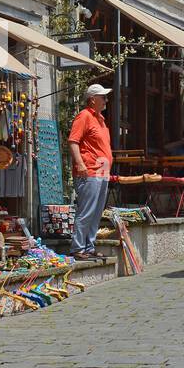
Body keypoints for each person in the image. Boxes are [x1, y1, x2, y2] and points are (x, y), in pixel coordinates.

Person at [68, 84, 113, 259]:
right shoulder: (84, 116)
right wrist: (80, 164)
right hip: (90, 171)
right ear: (93, 99)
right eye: (103, 97)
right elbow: (73, 141)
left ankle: (88, 246)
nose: (106, 100)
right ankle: (78, 248)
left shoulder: (100, 119)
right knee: (87, 211)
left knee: (96, 212)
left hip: (102, 172)